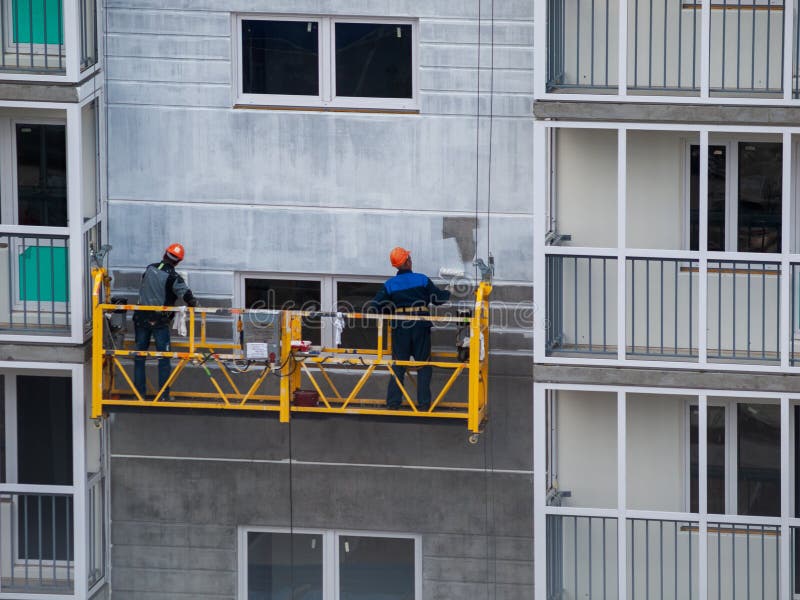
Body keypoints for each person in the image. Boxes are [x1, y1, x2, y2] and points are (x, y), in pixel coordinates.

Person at [369, 247, 450, 410]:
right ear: (407, 262)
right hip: (420, 326)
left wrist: (391, 309)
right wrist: (449, 292)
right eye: (409, 258)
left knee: (398, 365)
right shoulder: (421, 279)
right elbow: (438, 299)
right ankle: (424, 405)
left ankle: (393, 403)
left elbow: (375, 306)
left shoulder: (390, 284)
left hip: (401, 327)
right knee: (423, 365)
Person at [133, 243, 198, 400]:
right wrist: (193, 305)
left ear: (164, 255)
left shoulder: (149, 268)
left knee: (139, 356)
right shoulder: (173, 277)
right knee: (163, 358)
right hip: (159, 321)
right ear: (178, 262)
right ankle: (163, 396)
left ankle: (139, 395)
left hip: (141, 318)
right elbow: (187, 295)